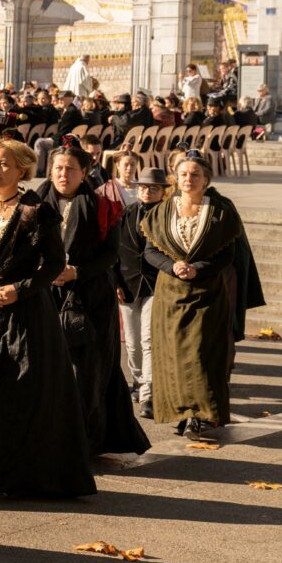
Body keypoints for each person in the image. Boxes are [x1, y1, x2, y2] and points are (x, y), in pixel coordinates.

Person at [0, 138, 95, 503]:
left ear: (21, 169)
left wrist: (18, 289)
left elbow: (55, 264)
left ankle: (11, 476)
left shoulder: (36, 211)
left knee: (16, 394)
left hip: (22, 317)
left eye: (4, 164)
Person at [141, 152, 266, 438]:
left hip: (207, 292)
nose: (189, 179)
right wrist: (172, 266)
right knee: (172, 356)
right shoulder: (161, 211)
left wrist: (198, 268)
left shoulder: (220, 211)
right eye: (184, 174)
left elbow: (228, 254)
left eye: (195, 174)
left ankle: (203, 413)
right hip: (170, 295)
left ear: (206, 179)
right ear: (176, 177)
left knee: (201, 355)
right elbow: (149, 252)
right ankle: (181, 412)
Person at [35, 145, 149, 457]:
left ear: (84, 173)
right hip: (45, 293)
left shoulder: (102, 205)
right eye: (58, 167)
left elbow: (112, 254)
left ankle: (85, 439)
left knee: (87, 372)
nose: (63, 174)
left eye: (70, 169)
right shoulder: (33, 204)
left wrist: (77, 272)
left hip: (90, 298)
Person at [117, 167, 167, 418]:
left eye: (153, 188)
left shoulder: (167, 215)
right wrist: (115, 281)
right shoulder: (127, 213)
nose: (147, 192)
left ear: (162, 193)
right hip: (127, 284)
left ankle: (148, 393)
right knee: (133, 344)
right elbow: (115, 249)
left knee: (148, 341)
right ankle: (137, 381)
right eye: (143, 187)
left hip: (155, 284)